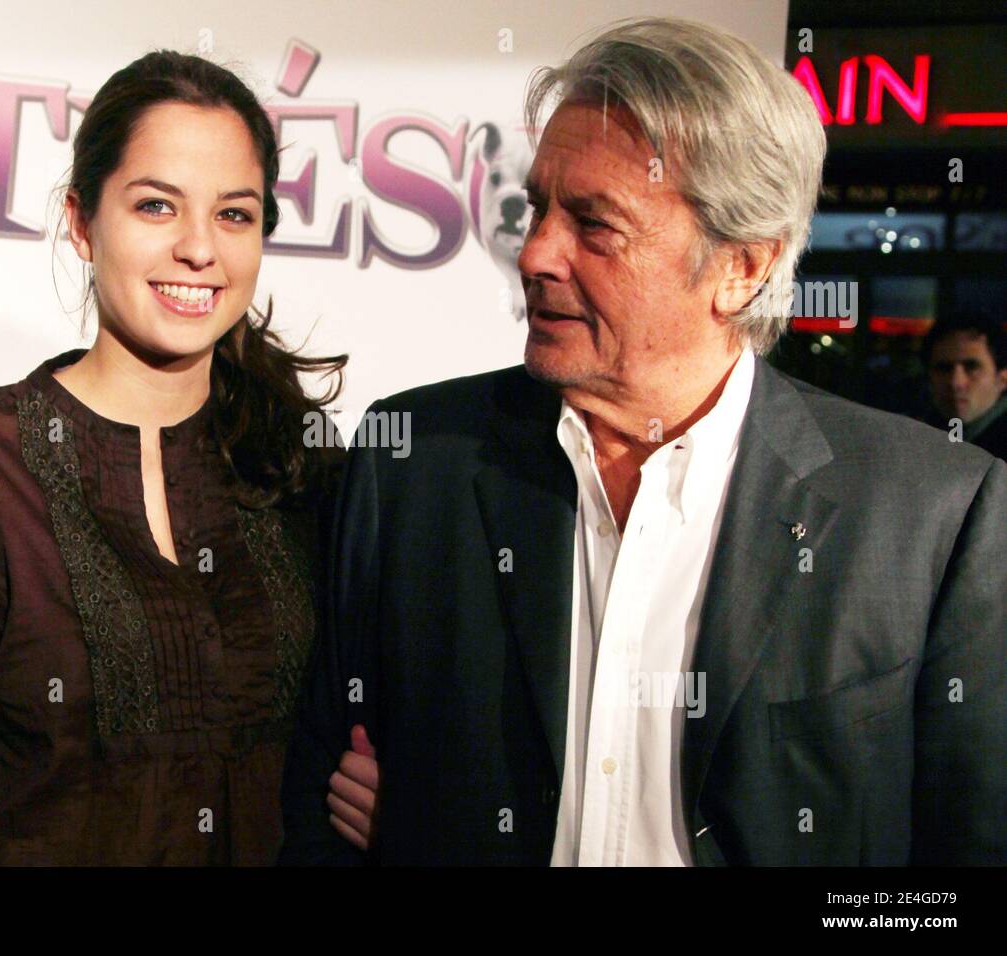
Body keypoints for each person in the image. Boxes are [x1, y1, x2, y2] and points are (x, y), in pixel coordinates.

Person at [281, 17, 1007, 865]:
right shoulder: (412, 463)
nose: (535, 254)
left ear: (742, 267)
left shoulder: (931, 513)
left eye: (595, 225)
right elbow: (323, 799)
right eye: (537, 207)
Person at [0, 51, 354, 865]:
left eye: (234, 214)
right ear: (82, 222)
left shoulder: (302, 471)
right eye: (157, 205)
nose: (200, 249)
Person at [921, 312, 1007, 460]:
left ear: (1002, 379)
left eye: (972, 367)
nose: (956, 382)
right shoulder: (918, 437)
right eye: (944, 368)